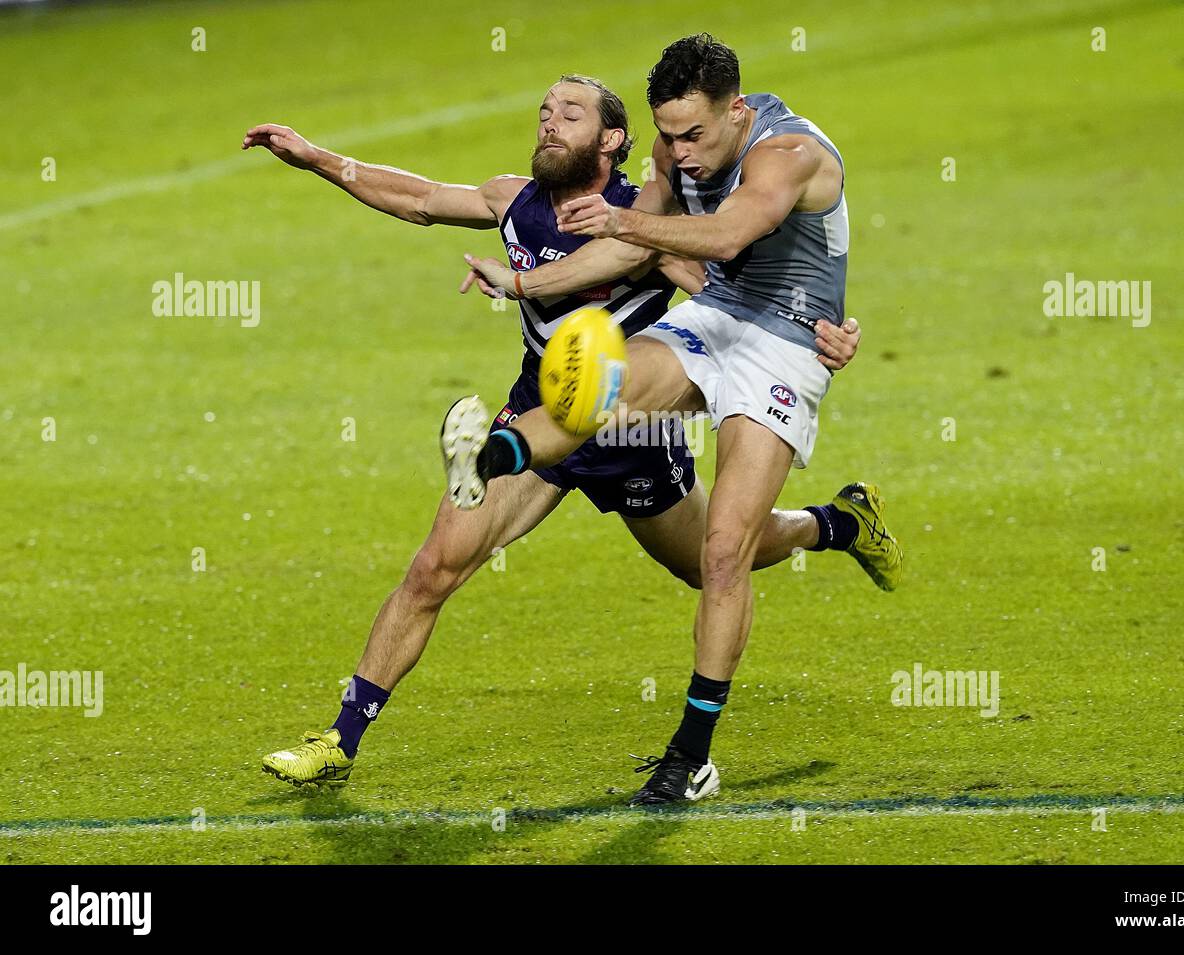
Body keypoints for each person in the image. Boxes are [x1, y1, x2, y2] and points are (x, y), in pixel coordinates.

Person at [242, 73, 866, 789]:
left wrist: (822, 333)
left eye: (570, 114)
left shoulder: (642, 216)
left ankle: (831, 524)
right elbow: (416, 198)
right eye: (543, 111)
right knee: (432, 569)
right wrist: (318, 157)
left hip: (633, 437)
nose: (548, 122)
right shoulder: (513, 201)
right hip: (538, 418)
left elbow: (732, 303)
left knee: (712, 562)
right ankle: (338, 742)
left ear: (612, 139)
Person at [449, 36, 903, 806]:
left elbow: (723, 234)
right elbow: (628, 254)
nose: (680, 151)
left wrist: (624, 225)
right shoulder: (670, 149)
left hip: (785, 347)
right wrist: (526, 282)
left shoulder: (788, 153)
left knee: (724, 552)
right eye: (669, 133)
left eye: (696, 134)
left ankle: (691, 755)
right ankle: (489, 457)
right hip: (718, 314)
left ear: (737, 109)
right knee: (603, 386)